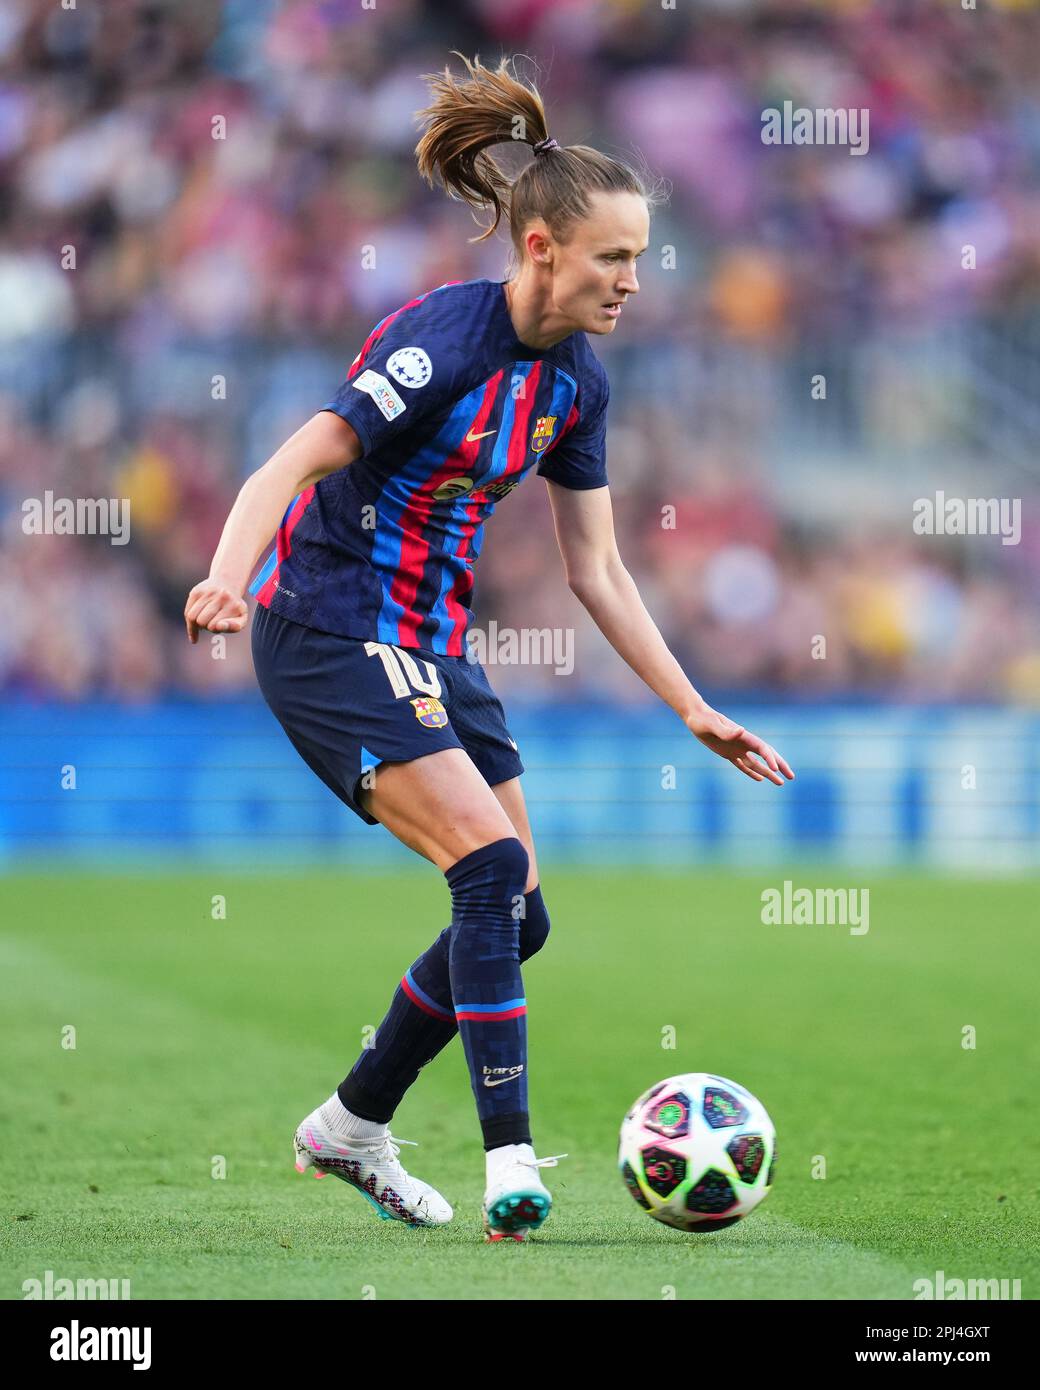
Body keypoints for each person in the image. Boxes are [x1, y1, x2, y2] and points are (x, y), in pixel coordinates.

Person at [183, 53, 794, 1243]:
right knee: (488, 871)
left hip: (434, 646)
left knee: (520, 913)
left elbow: (596, 569)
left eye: (639, 258)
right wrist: (225, 572)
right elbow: (293, 458)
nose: (631, 281)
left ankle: (351, 1122)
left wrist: (689, 706)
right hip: (326, 626)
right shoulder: (440, 338)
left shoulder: (577, 384)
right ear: (541, 250)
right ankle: (510, 1157)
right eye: (612, 257)